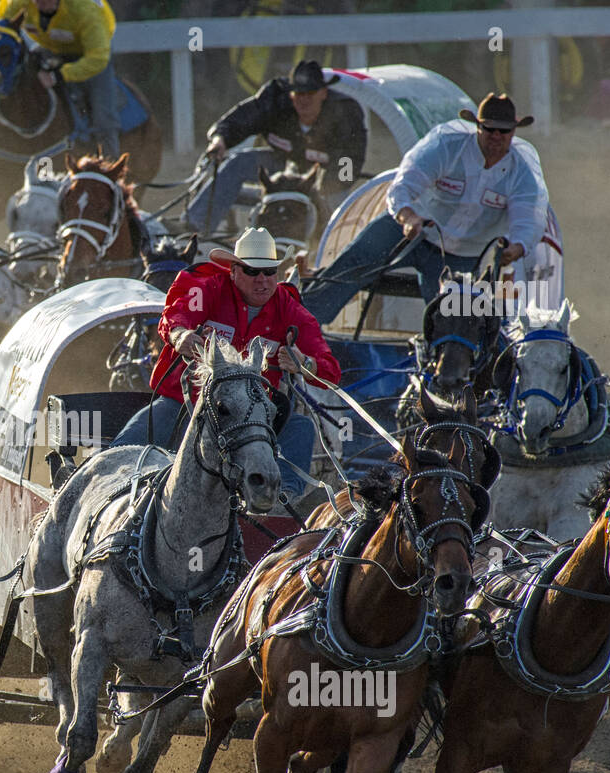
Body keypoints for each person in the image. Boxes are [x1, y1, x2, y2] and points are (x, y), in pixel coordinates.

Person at [112, 227, 341, 503]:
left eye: (269, 272)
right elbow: (176, 314)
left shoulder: (291, 310)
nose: (262, 280)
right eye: (252, 271)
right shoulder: (209, 289)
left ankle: (281, 502)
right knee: (129, 446)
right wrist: (180, 335)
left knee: (301, 427)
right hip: (186, 403)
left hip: (253, 416)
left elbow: (330, 370)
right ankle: (106, 477)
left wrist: (305, 363)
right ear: (233, 271)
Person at [301, 92, 549, 325]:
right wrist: (408, 217)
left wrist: (516, 247)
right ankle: (301, 325)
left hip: (461, 255)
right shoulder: (446, 144)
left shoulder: (523, 170)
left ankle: (445, 365)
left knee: (454, 321)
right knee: (354, 261)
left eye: (503, 130)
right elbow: (404, 183)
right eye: (489, 128)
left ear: (514, 131)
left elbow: (529, 217)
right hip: (409, 231)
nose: (496, 135)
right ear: (477, 126)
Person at [182, 60, 367, 235]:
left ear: (324, 93)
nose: (304, 100)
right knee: (237, 163)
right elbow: (243, 118)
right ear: (290, 94)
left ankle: (328, 247)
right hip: (282, 168)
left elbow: (350, 160)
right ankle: (193, 229)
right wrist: (219, 141)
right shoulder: (274, 102)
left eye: (310, 93)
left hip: (324, 179)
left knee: (336, 201)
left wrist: (325, 187)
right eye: (298, 94)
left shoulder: (345, 112)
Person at [0, 0, 122, 157]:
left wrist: (57, 76)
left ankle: (110, 166)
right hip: (49, 48)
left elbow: (98, 59)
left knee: (104, 118)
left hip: (89, 55)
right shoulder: (17, 3)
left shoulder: (86, 10)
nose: (40, 2)